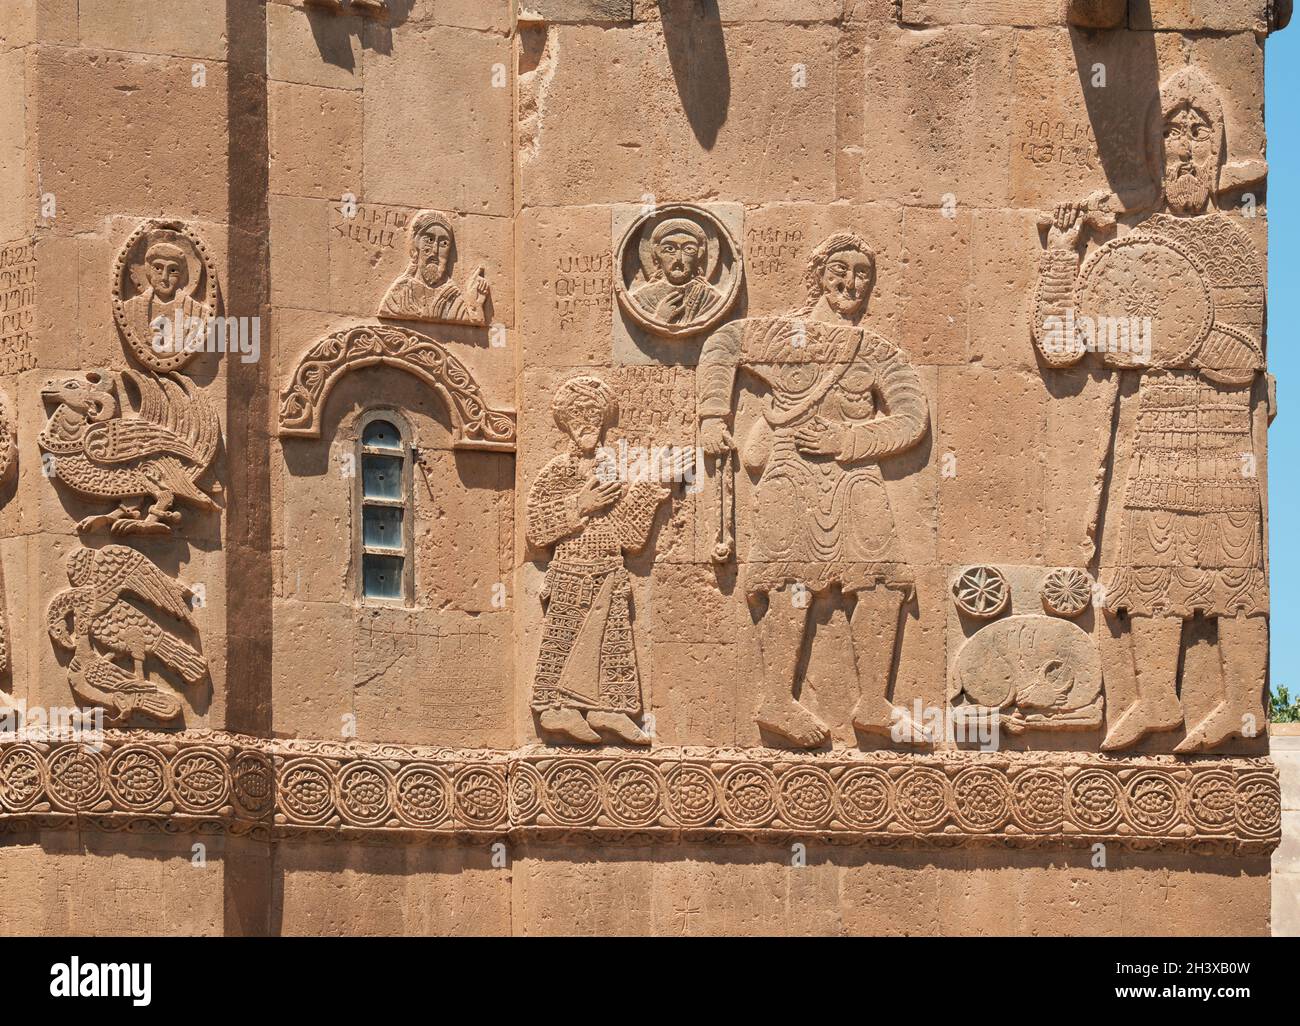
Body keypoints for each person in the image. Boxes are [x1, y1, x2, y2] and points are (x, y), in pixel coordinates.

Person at [1031, 66, 1267, 752]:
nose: (1187, 149)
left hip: (1222, 433)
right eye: (1172, 133)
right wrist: (1062, 258)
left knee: (1233, 574)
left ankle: (1243, 705)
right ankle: (1158, 699)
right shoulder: (1129, 247)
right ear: (1151, 150)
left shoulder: (1233, 246)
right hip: (1158, 429)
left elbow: (1240, 355)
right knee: (1148, 571)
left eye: (1200, 132)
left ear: (1219, 149)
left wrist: (1175, 336)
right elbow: (1063, 348)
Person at [697, 232, 931, 748]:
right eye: (839, 271)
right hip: (790, 472)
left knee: (882, 580)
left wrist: (846, 438)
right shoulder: (786, 337)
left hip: (855, 474)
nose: (850, 283)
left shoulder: (876, 351)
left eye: (862, 274)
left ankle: (874, 703)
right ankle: (778, 700)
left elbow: (912, 418)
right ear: (818, 277)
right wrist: (712, 416)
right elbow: (721, 345)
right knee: (789, 582)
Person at [527, 375, 670, 745]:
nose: (586, 424)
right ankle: (558, 708)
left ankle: (609, 709)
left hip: (608, 568)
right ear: (567, 426)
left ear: (603, 422)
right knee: (566, 637)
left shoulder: (612, 470)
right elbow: (537, 528)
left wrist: (648, 492)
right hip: (570, 570)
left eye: (593, 416)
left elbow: (629, 537)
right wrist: (579, 505)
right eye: (578, 417)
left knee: (611, 643)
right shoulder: (557, 471)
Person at [380, 211, 490, 325]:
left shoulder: (454, 298)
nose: (435, 250)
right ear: (415, 243)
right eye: (429, 240)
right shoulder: (400, 294)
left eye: (443, 243)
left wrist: (475, 304)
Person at [630, 217, 722, 327]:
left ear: (699, 254)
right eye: (669, 249)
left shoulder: (710, 298)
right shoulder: (642, 298)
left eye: (688, 249)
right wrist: (660, 317)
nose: (678, 258)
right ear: (657, 253)